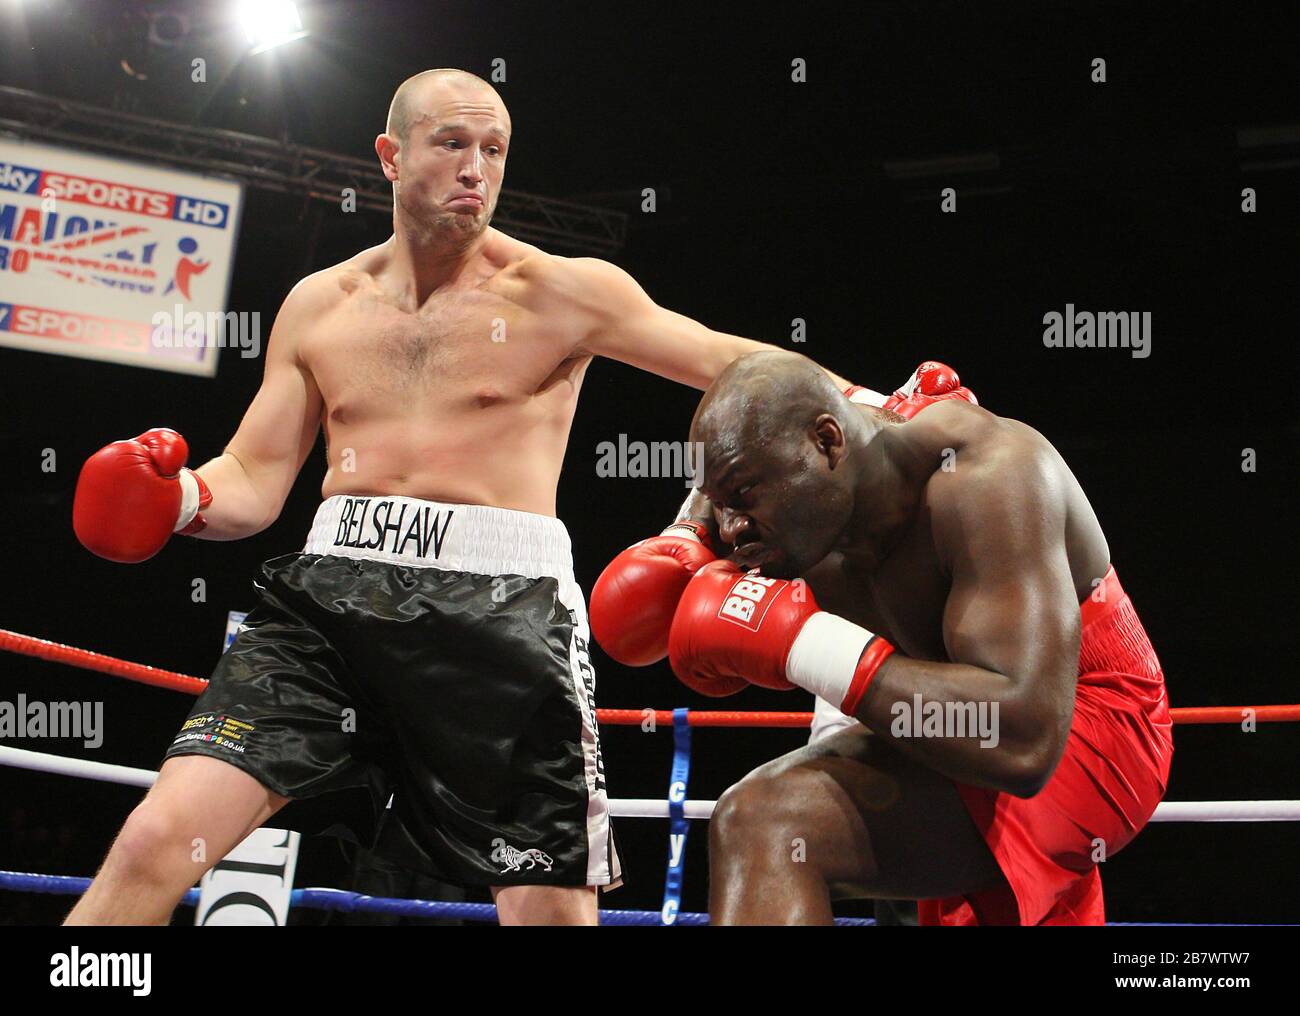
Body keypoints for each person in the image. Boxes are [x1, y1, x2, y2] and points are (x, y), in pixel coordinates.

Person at [65, 69, 868, 926]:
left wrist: (893, 410)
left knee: (547, 911)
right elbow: (256, 481)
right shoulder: (317, 305)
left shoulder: (559, 291)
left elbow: (730, 361)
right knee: (157, 841)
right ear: (390, 154)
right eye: (452, 144)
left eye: (493, 150)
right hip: (327, 599)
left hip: (504, 610)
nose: (475, 169)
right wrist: (179, 497)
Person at [664, 349, 1173, 925]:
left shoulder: (988, 477)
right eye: (721, 503)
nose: (732, 530)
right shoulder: (795, 487)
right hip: (938, 713)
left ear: (828, 443)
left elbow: (1024, 741)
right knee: (758, 822)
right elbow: (738, 443)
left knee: (768, 822)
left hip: (1083, 720)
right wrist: (678, 537)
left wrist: (802, 643)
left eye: (743, 497)